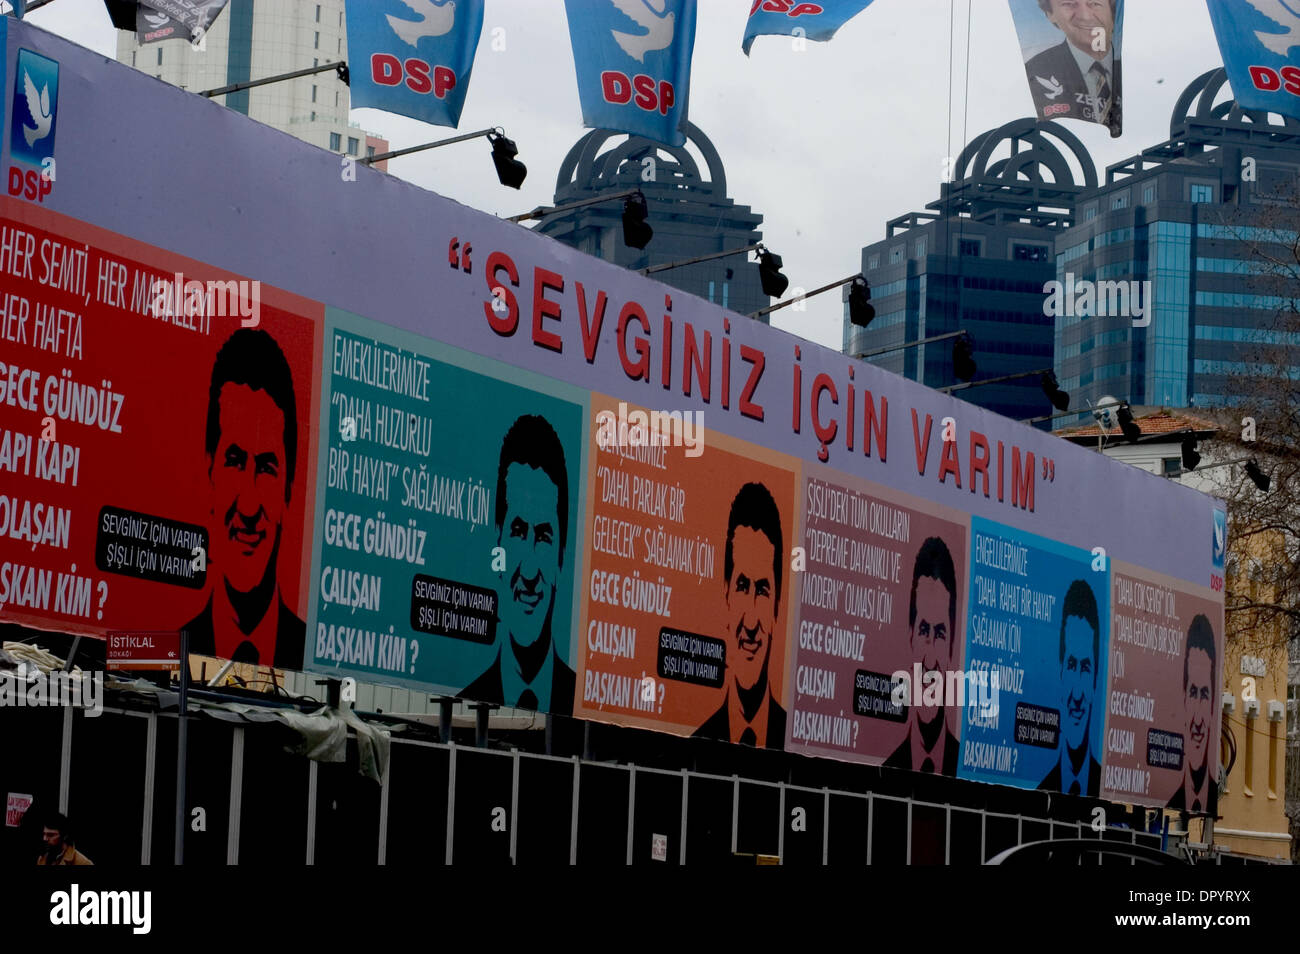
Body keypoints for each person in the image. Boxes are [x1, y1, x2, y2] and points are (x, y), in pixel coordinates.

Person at [182, 329, 306, 670]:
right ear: (210, 472)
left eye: (266, 468)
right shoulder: (164, 649)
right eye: (235, 462)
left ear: (289, 487)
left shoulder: (317, 662)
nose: (249, 507)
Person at [461, 415, 575, 714]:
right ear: (497, 543)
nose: (527, 571)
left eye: (543, 536)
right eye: (518, 532)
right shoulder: (466, 697)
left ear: (562, 556)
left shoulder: (586, 707)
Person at [694, 482, 787, 749]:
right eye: (742, 587)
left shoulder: (797, 748)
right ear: (726, 595)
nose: (749, 622)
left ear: (777, 607)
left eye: (762, 590)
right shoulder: (696, 744)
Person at [885, 537, 961, 775]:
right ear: (910, 637)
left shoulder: (965, 769)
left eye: (940, 633)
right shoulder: (886, 770)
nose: (929, 661)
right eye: (923, 630)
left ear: (951, 646)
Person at [1039, 579, 1102, 796]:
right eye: (1071, 665)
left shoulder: (1108, 793)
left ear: (1095, 681)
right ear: (1060, 674)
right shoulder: (1039, 791)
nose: (1076, 695)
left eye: (1085, 668)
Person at [1023, 0, 1121, 135]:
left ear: (1112, 11)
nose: (1085, 16)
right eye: (1069, 4)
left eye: (1094, 3)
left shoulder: (1134, 72)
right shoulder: (1038, 67)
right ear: (1050, 13)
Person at [1168, 615, 1217, 813]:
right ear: (1183, 699)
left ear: (1214, 704)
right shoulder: (1170, 800)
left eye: (1204, 695)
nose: (1197, 720)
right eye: (1193, 692)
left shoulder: (1213, 794)